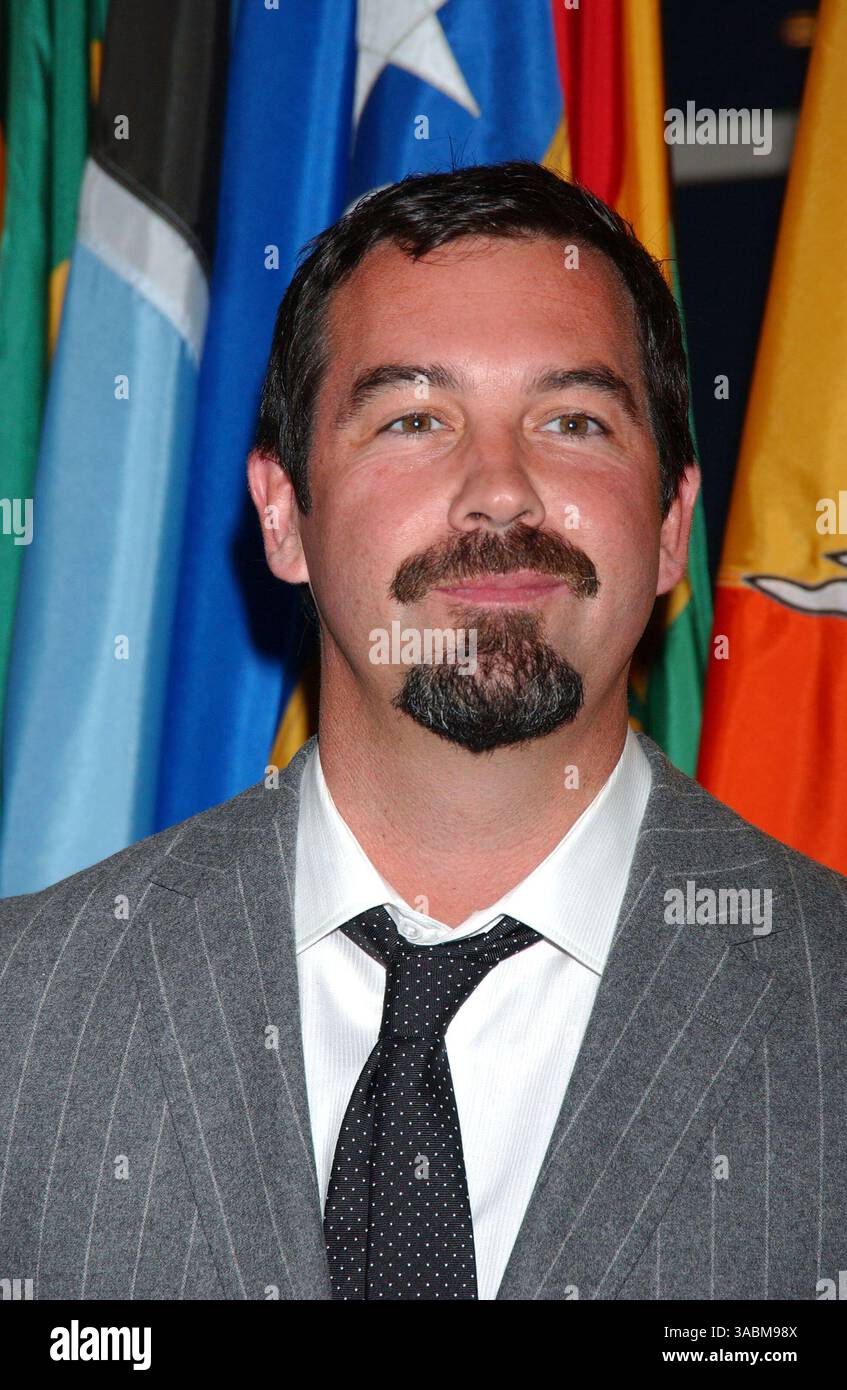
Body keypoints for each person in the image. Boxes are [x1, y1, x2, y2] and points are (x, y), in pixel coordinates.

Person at [1, 161, 845, 1302]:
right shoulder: (29, 1010)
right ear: (283, 514)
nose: (499, 491)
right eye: (413, 417)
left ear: (667, 529)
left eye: (572, 419)